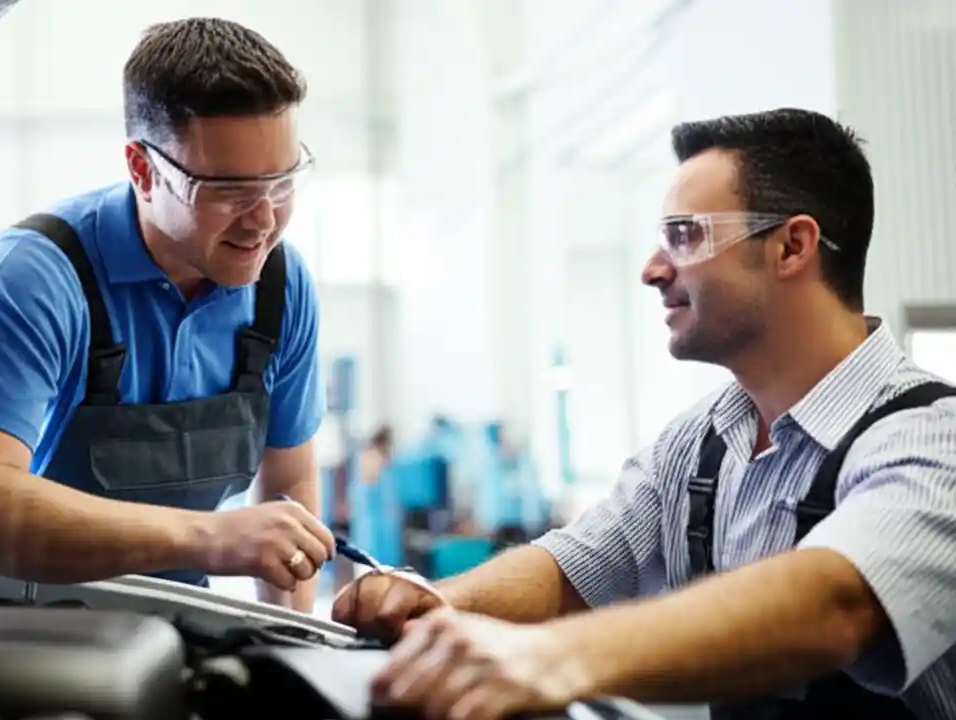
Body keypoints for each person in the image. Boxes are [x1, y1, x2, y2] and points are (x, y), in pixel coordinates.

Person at [333, 108, 956, 718]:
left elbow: (838, 603)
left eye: (685, 236)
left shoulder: (934, 441)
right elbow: (574, 566)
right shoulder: (698, 443)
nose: (653, 270)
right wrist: (433, 605)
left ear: (792, 246)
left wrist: (551, 658)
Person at [0, 17, 334, 612]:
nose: (264, 221)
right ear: (142, 169)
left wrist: (295, 640)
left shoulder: (280, 285)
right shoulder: (40, 275)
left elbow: (289, 489)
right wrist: (209, 538)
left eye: (281, 182)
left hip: (163, 626)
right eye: (228, 190)